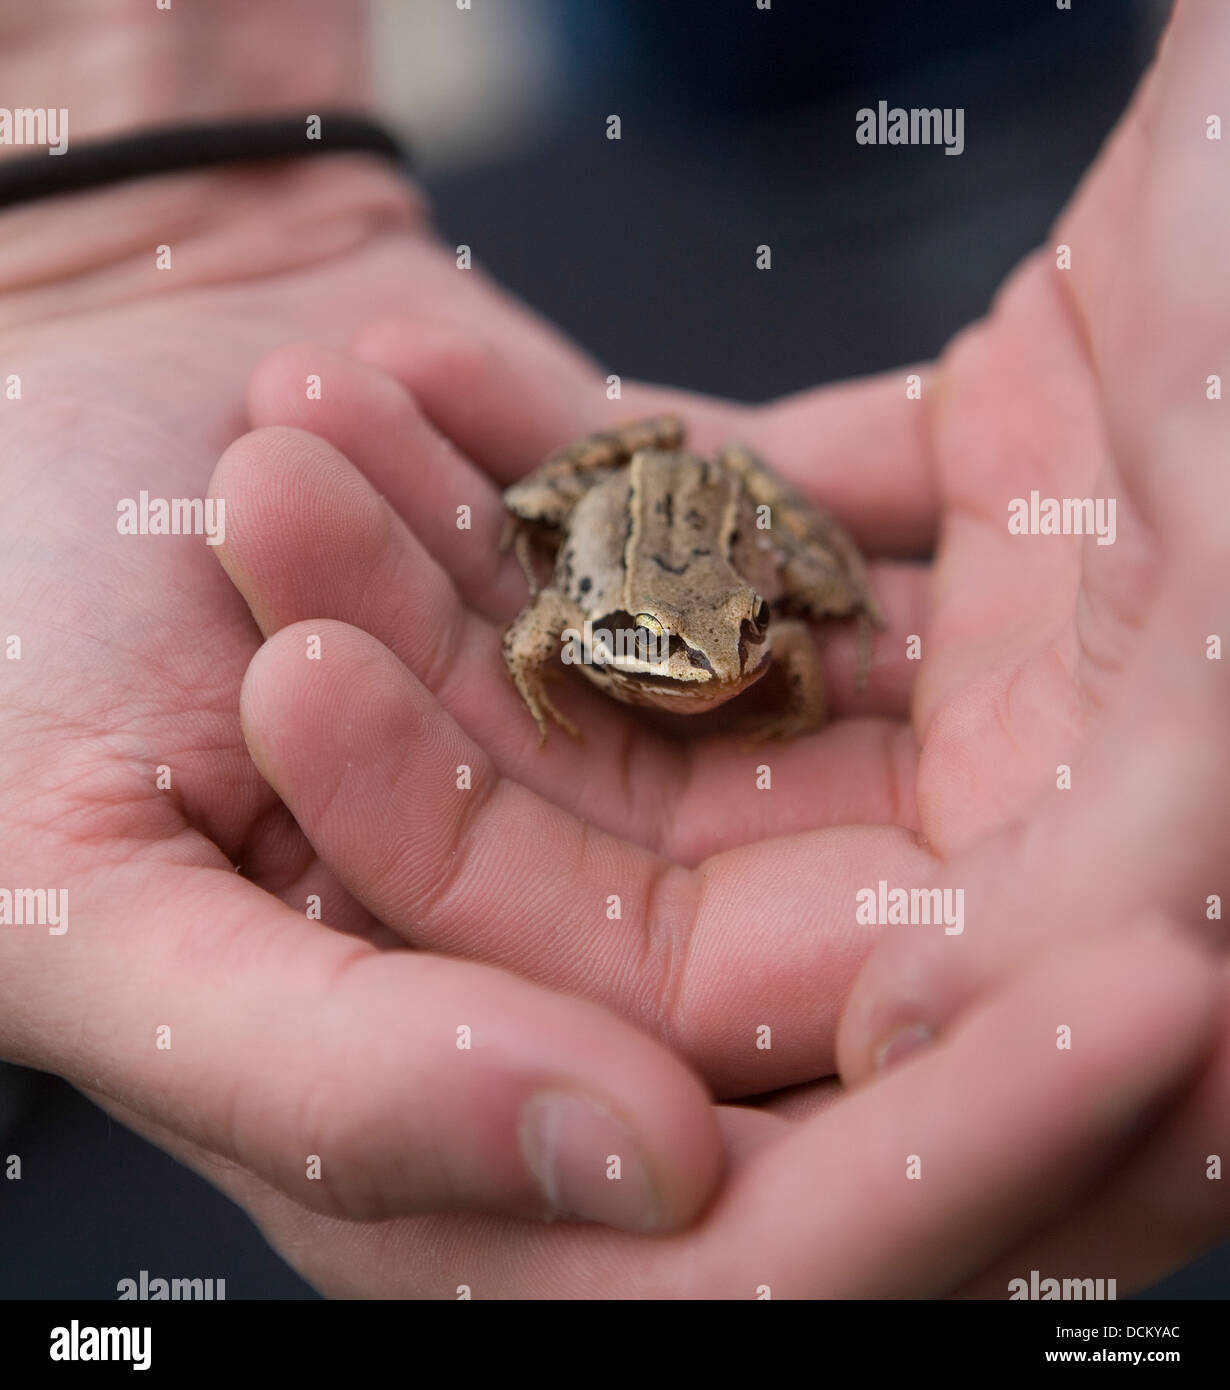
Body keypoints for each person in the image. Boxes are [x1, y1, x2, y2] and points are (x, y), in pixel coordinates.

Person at [0, 0, 1225, 1296]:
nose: (725, 670)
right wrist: (104, 231)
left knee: (815, 561)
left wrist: (778, 672)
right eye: (689, 657)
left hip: (719, 520)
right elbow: (537, 630)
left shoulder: (742, 642)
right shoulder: (583, 627)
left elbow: (774, 659)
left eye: (740, 651)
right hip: (624, 517)